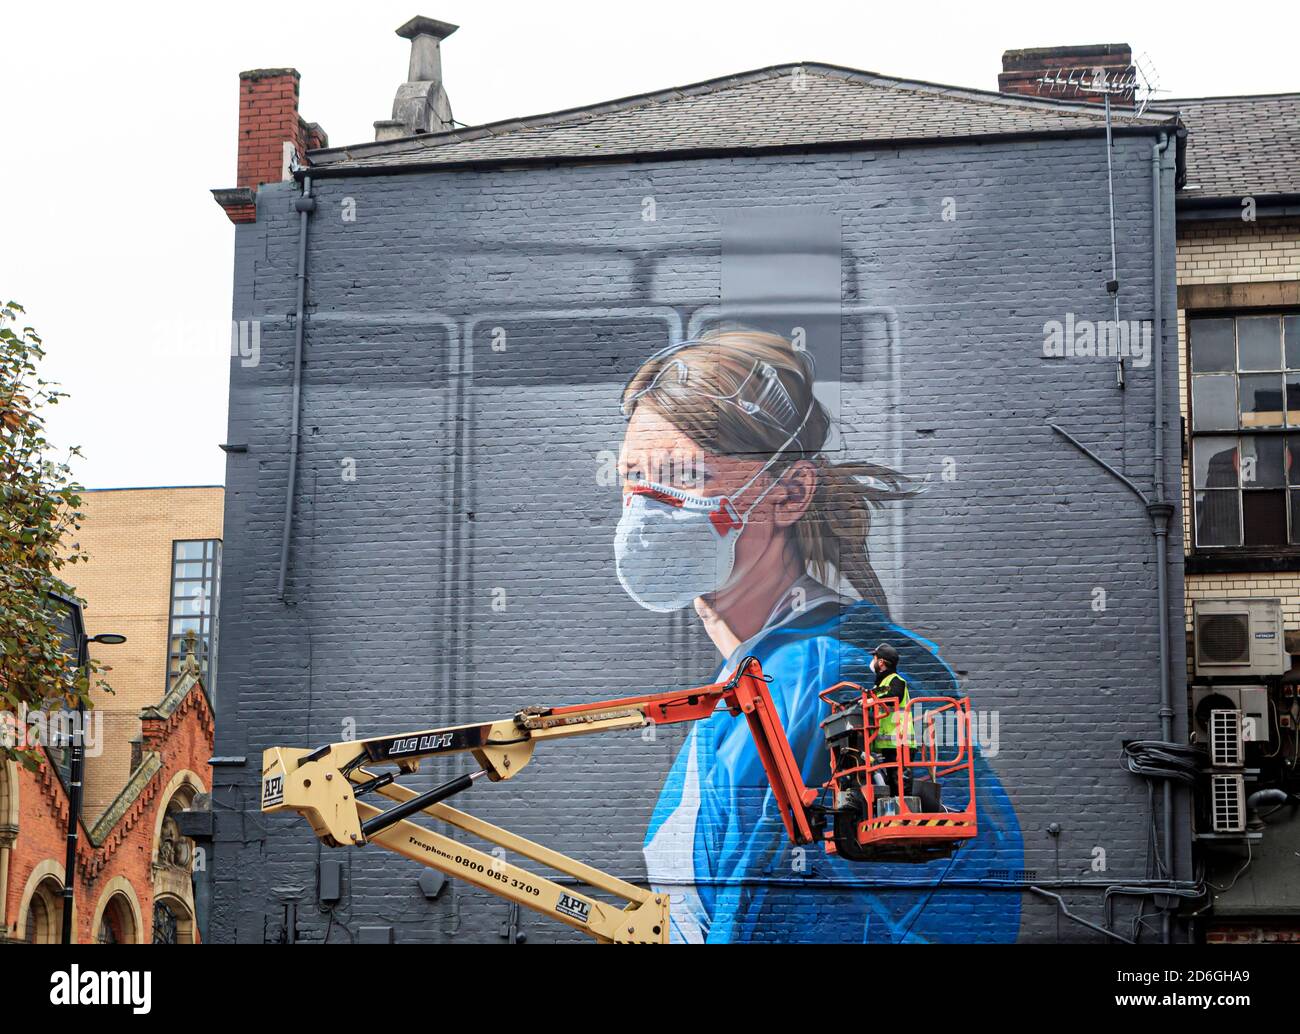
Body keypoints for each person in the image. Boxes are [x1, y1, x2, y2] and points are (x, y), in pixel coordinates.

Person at [615, 328, 1024, 943]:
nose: (646, 505)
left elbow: (770, 919)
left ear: (790, 493)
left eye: (684, 474)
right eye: (631, 477)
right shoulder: (764, 672)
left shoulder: (819, 676)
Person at [867, 642, 913, 800]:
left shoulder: (896, 680)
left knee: (899, 782)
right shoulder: (880, 685)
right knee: (891, 785)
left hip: (900, 741)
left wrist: (872, 701)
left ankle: (905, 815)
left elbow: (895, 696)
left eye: (874, 658)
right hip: (889, 743)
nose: (872, 662)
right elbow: (872, 696)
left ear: (880, 662)